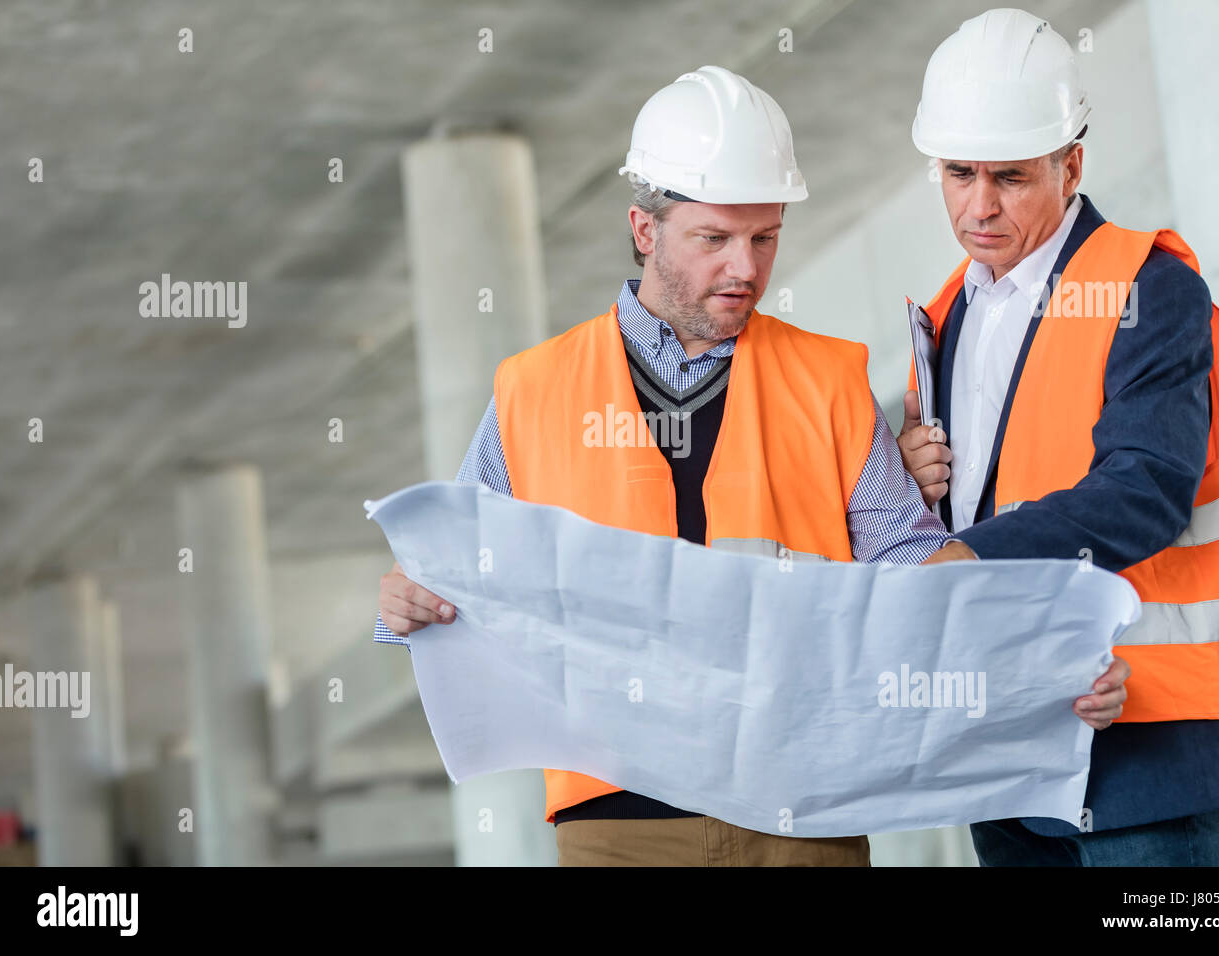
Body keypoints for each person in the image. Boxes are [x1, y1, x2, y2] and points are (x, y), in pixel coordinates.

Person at [376, 65, 1117, 866]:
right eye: (714, 239)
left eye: (764, 238)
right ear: (644, 228)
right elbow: (460, 572)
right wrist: (406, 602)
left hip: (800, 808)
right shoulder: (532, 392)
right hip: (621, 822)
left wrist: (1044, 657)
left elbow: (909, 568)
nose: (745, 269)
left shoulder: (828, 380)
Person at [898, 8, 1219, 866]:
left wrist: (972, 556)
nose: (978, 207)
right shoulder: (945, 317)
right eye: (958, 173)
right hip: (1009, 754)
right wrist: (913, 483)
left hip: (1144, 754)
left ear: (1072, 164)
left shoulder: (1149, 285)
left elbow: (1147, 485)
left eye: (1012, 178)